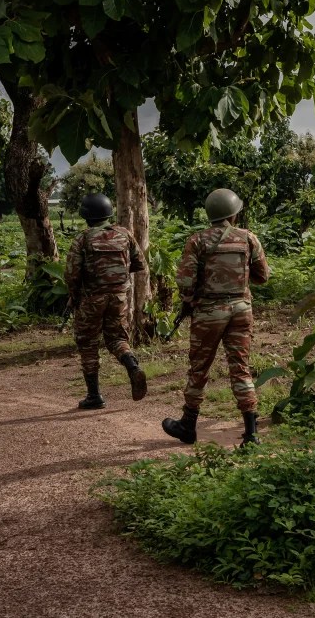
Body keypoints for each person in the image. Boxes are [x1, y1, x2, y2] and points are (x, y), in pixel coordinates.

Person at [162, 188, 269, 445]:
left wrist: (191, 300)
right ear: (234, 213)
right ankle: (251, 433)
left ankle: (188, 424)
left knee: (199, 368)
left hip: (209, 313)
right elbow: (263, 276)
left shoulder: (198, 241)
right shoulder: (249, 238)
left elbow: (186, 282)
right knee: (241, 368)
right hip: (241, 310)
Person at [64, 193, 147, 408]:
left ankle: (94, 396)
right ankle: (132, 366)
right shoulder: (125, 234)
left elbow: (72, 274)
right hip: (120, 298)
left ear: (86, 216)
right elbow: (139, 264)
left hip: (91, 298)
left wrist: (74, 297)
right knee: (117, 339)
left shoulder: (83, 238)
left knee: (88, 343)